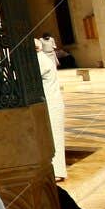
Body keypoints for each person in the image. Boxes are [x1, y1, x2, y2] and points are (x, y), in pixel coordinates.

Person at [35, 34, 67, 181]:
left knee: (55, 138)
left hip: (52, 104)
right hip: (51, 102)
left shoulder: (41, 60)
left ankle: (58, 171)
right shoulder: (43, 58)